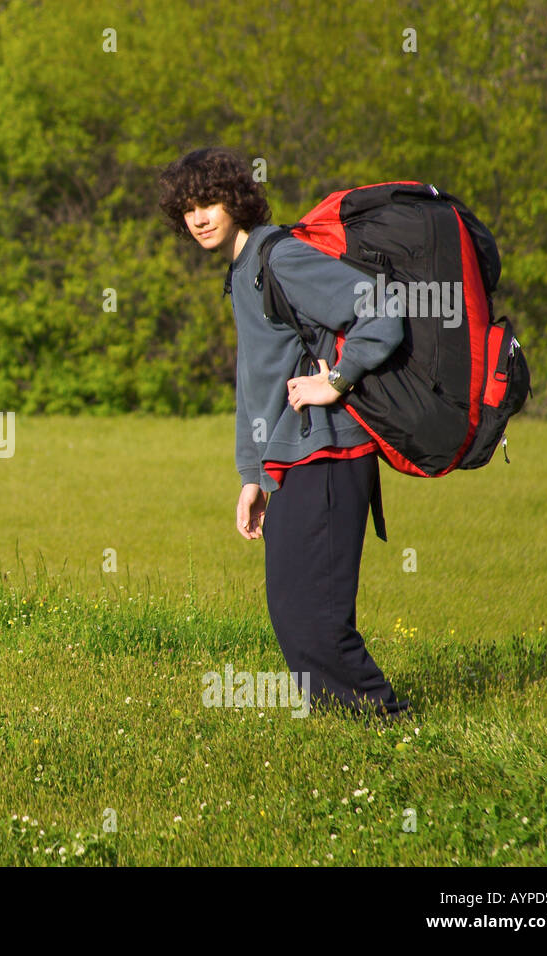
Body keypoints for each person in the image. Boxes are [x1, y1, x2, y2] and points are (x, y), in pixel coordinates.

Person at [158, 147, 411, 720]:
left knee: (312, 613)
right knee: (294, 607)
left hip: (331, 448)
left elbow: (383, 305)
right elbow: (258, 381)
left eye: (211, 202)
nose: (199, 217)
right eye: (189, 207)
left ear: (237, 202)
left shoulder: (281, 257)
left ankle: (382, 723)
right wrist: (253, 474)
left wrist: (339, 381)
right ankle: (348, 722)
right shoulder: (243, 270)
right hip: (295, 455)